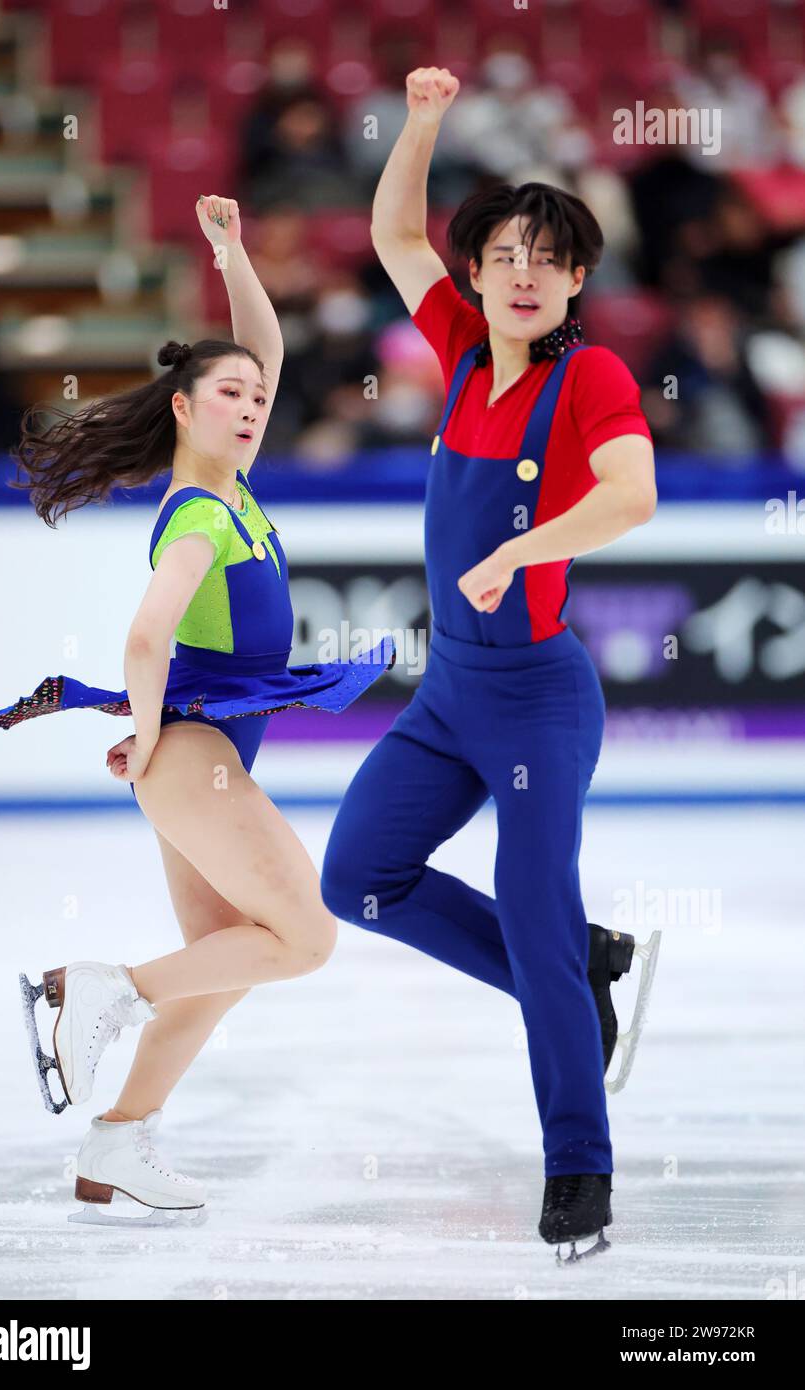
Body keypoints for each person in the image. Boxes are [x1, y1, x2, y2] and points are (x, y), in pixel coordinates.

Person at [0, 195, 394, 1226]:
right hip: (195, 757)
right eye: (228, 395)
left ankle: (118, 1139)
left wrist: (229, 256)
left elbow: (256, 344)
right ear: (183, 406)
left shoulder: (233, 483)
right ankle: (99, 987)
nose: (252, 403)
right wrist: (159, 733)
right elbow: (144, 635)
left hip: (200, 761)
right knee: (303, 938)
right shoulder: (201, 514)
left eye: (258, 397)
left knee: (223, 962)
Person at [320, 69, 658, 1261]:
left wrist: (525, 542)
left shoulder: (594, 378)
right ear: (477, 275)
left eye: (545, 258)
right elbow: (390, 230)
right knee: (355, 879)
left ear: (574, 280)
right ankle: (569, 965)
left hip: (534, 699)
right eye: (502, 253)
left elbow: (632, 494)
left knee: (527, 898)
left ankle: (579, 1168)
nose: (520, 272)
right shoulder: (460, 344)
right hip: (447, 693)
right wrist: (420, 122)